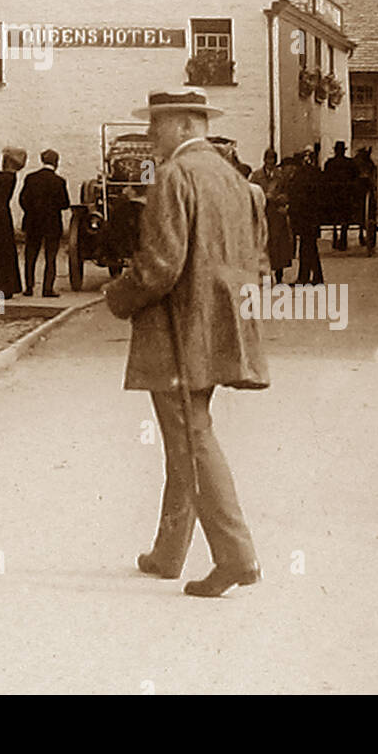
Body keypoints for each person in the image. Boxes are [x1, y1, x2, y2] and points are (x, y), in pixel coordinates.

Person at [105, 86, 268, 598]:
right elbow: (257, 259)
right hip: (221, 327)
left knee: (191, 437)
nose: (150, 136)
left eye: (156, 125)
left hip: (177, 330)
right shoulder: (236, 178)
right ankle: (168, 553)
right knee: (188, 430)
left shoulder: (174, 175)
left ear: (182, 124)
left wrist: (118, 295)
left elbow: (160, 266)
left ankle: (237, 557)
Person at [19, 149, 71, 297]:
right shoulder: (59, 181)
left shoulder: (31, 178)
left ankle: (29, 288)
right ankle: (47, 289)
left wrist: (31, 212)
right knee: (50, 257)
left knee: (30, 255)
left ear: (42, 160)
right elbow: (64, 203)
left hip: (33, 222)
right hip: (52, 224)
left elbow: (23, 199)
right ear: (56, 163)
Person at [0, 147, 27, 299]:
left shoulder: (6, 176)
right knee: (4, 252)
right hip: (3, 215)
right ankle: (6, 287)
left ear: (9, 162)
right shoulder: (10, 176)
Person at [251, 149, 295, 283]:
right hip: (263, 213)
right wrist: (264, 197)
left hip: (276, 213)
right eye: (268, 159)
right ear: (264, 160)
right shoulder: (257, 175)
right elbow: (252, 192)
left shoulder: (281, 176)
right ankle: (265, 275)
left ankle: (279, 274)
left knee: (279, 245)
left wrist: (282, 199)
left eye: (273, 160)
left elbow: (288, 192)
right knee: (265, 244)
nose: (270, 162)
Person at [289, 147, 325, 285]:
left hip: (304, 216)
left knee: (306, 246)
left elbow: (296, 195)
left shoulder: (300, 174)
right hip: (313, 215)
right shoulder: (315, 172)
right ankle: (315, 277)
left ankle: (305, 277)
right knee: (309, 245)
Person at [323, 141, 360, 250]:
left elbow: (325, 179)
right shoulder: (350, 163)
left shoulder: (329, 163)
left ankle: (336, 234)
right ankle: (343, 236)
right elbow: (356, 177)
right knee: (347, 211)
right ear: (344, 151)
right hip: (348, 196)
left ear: (335, 151)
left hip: (332, 197)